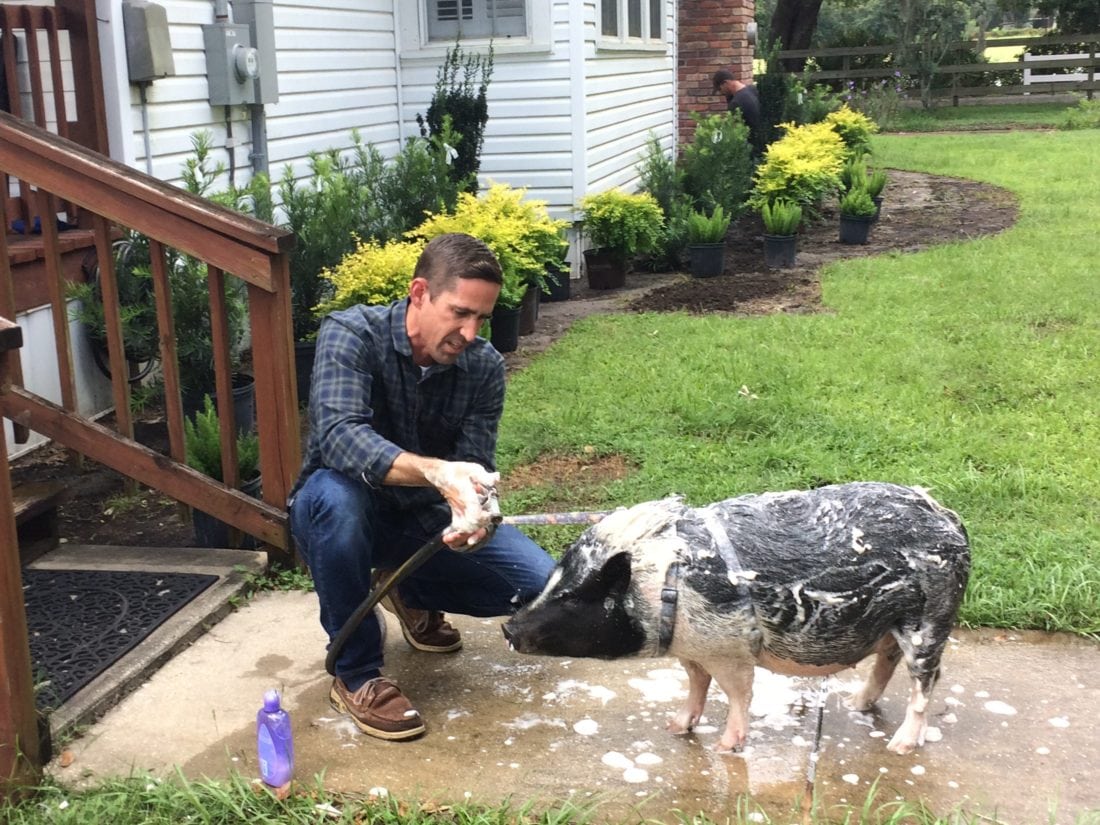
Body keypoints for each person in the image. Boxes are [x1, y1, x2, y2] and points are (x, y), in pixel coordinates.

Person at [288, 233, 555, 741]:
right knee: (334, 502)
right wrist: (436, 471)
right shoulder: (351, 334)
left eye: (481, 318)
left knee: (540, 587)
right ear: (418, 293)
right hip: (342, 507)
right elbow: (340, 436)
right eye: (459, 313)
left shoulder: (484, 367)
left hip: (421, 522)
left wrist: (472, 511)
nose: (471, 332)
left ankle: (403, 587)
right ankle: (358, 673)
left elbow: (474, 463)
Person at [712, 68, 763, 155]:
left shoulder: (736, 103)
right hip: (761, 140)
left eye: (720, 89)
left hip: (750, 148)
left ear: (725, 83)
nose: (721, 93)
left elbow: (732, 130)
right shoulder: (752, 89)